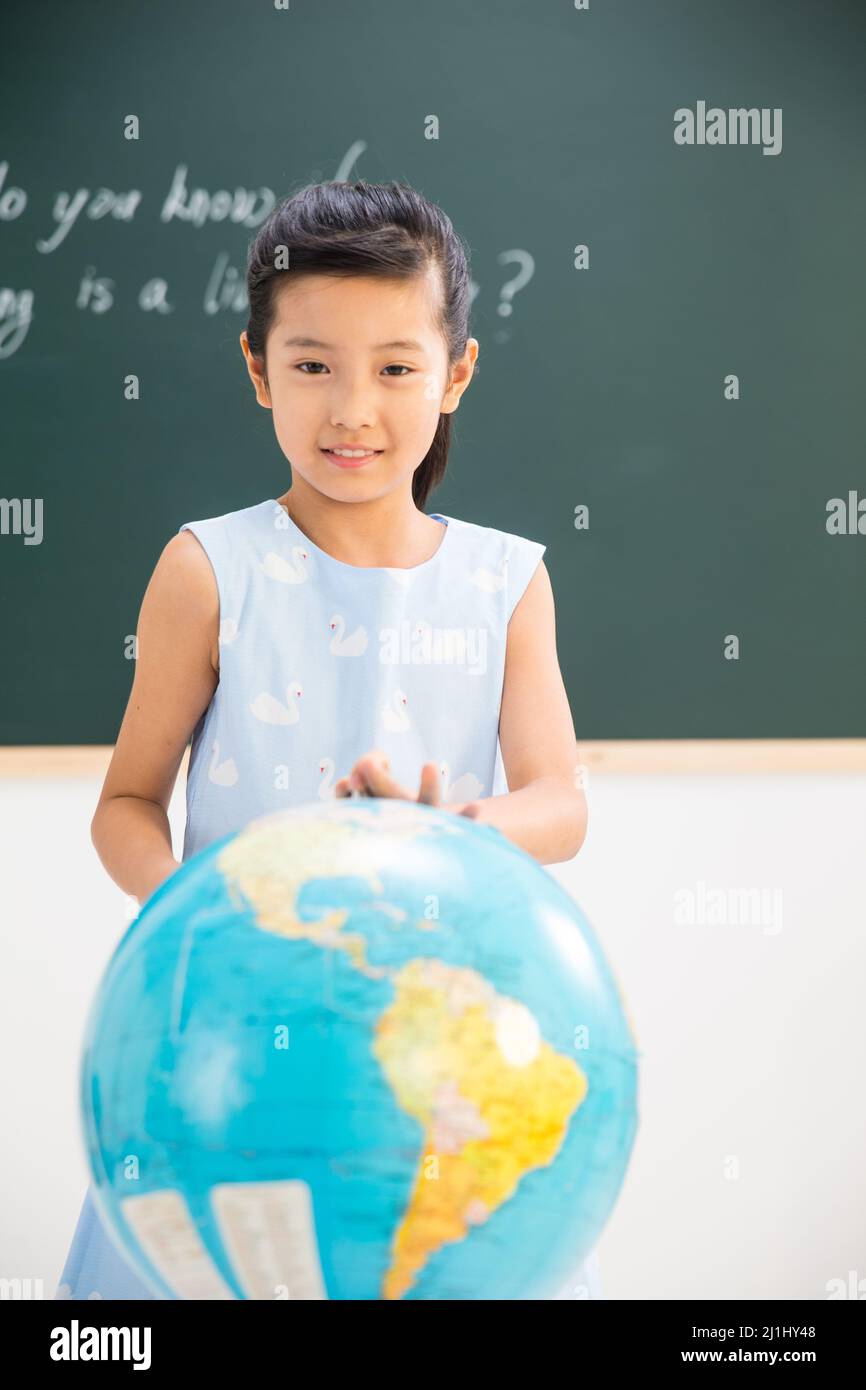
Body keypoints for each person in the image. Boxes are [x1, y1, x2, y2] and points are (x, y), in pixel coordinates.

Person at [55, 179, 601, 1301]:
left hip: (427, 1055)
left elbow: (560, 803)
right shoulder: (209, 570)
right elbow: (124, 807)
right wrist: (187, 923)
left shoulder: (505, 582)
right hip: (232, 1044)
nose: (353, 408)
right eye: (312, 364)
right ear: (257, 371)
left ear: (455, 374)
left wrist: (459, 826)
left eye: (396, 367)